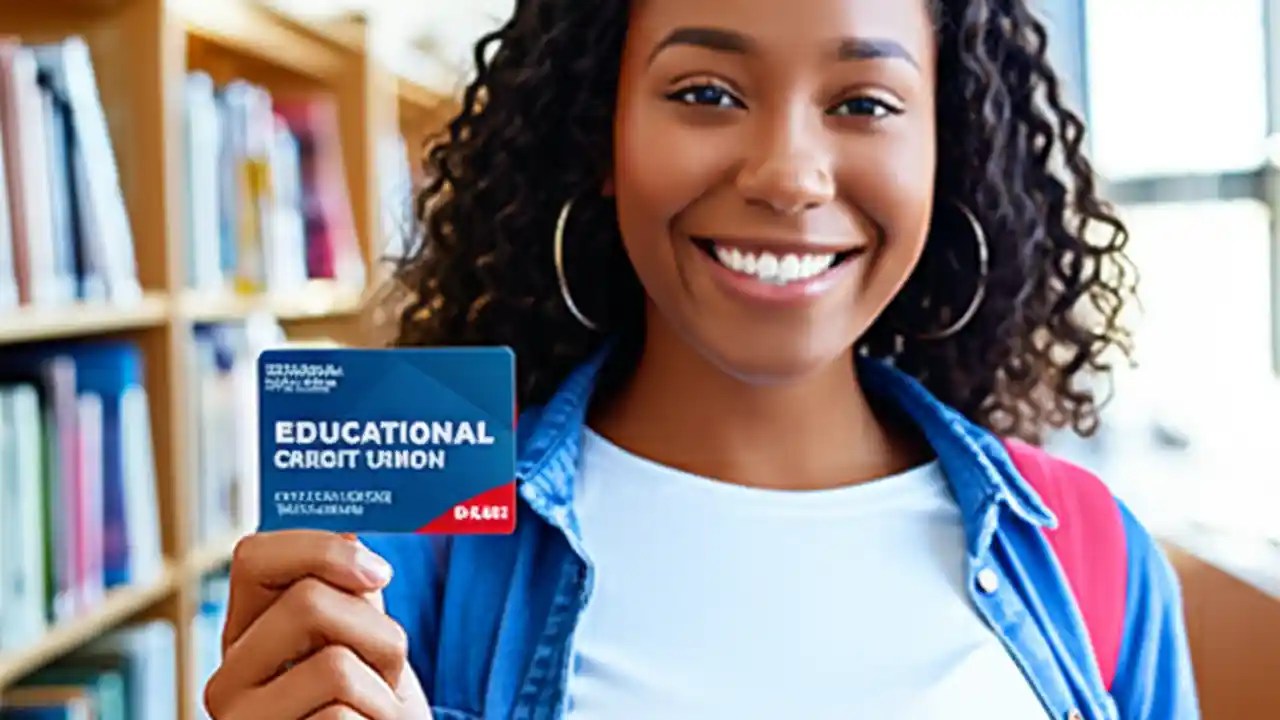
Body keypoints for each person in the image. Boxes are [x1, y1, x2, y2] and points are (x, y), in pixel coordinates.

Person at [204, 0, 1200, 718]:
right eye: (706, 91)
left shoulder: (1088, 554)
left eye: (863, 103)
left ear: (950, 153)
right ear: (602, 133)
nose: (786, 175)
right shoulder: (405, 539)